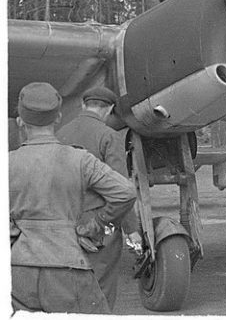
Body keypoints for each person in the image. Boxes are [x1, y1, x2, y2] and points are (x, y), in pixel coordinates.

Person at [10, 82, 136, 314]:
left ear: (20, 120)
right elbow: (125, 192)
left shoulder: (8, 162)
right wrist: (97, 223)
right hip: (68, 262)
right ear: (58, 116)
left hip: (17, 269)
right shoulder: (81, 159)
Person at [57, 86, 142, 311]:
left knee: (68, 287)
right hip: (100, 225)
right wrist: (132, 231)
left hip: (64, 222)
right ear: (109, 109)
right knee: (99, 289)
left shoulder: (61, 134)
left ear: (84, 105)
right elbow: (121, 188)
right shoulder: (108, 136)